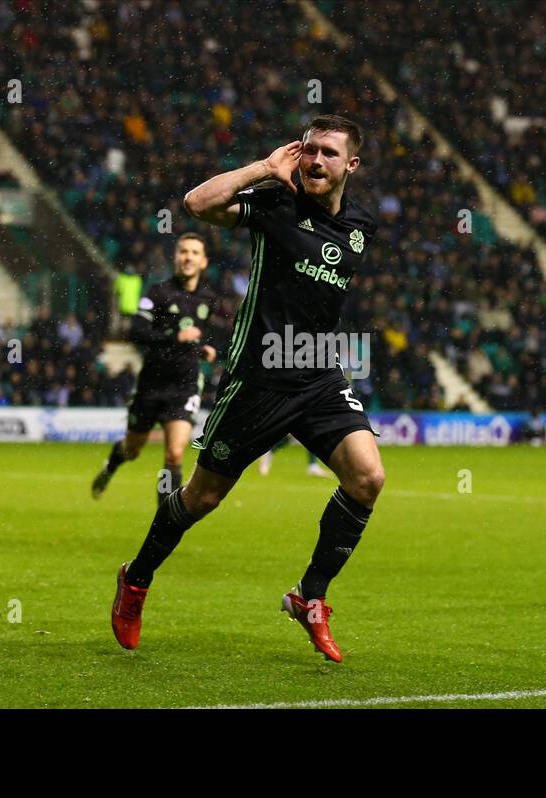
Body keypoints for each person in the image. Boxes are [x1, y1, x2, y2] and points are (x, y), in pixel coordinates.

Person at [110, 115, 382, 662]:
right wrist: (262, 168)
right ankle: (136, 579)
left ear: (351, 164)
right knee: (202, 497)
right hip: (258, 379)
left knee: (368, 477)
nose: (316, 161)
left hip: (319, 372)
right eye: (309, 150)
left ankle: (310, 596)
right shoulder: (275, 202)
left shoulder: (361, 226)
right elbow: (196, 203)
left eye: (329, 153)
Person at [92, 232, 224, 505]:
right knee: (132, 449)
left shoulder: (209, 300)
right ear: (176, 257)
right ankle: (111, 465)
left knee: (175, 454)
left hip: (185, 386)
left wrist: (207, 349)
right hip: (151, 385)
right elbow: (137, 332)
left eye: (194, 253)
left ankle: (164, 517)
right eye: (183, 252)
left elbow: (206, 335)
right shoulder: (158, 292)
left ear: (203, 262)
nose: (187, 257)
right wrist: (175, 337)